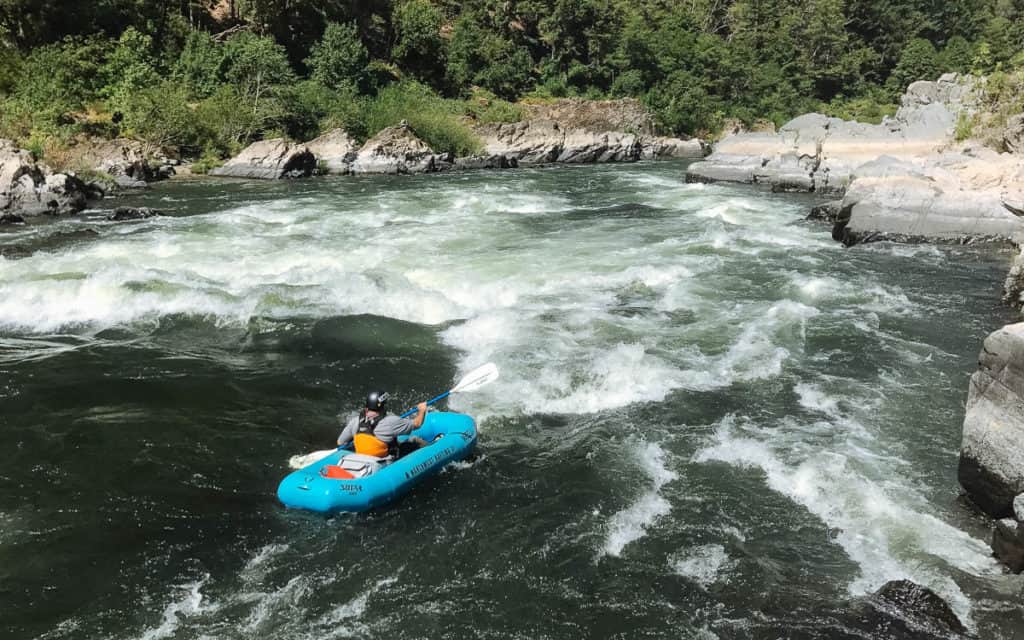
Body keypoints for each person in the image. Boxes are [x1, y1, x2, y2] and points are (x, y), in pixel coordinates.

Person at [337, 390, 428, 459]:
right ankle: (434, 447)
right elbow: (417, 424)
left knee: (393, 441)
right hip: (384, 461)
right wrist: (422, 410)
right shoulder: (390, 421)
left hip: (362, 459)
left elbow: (340, 442)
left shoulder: (355, 421)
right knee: (414, 440)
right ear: (382, 406)